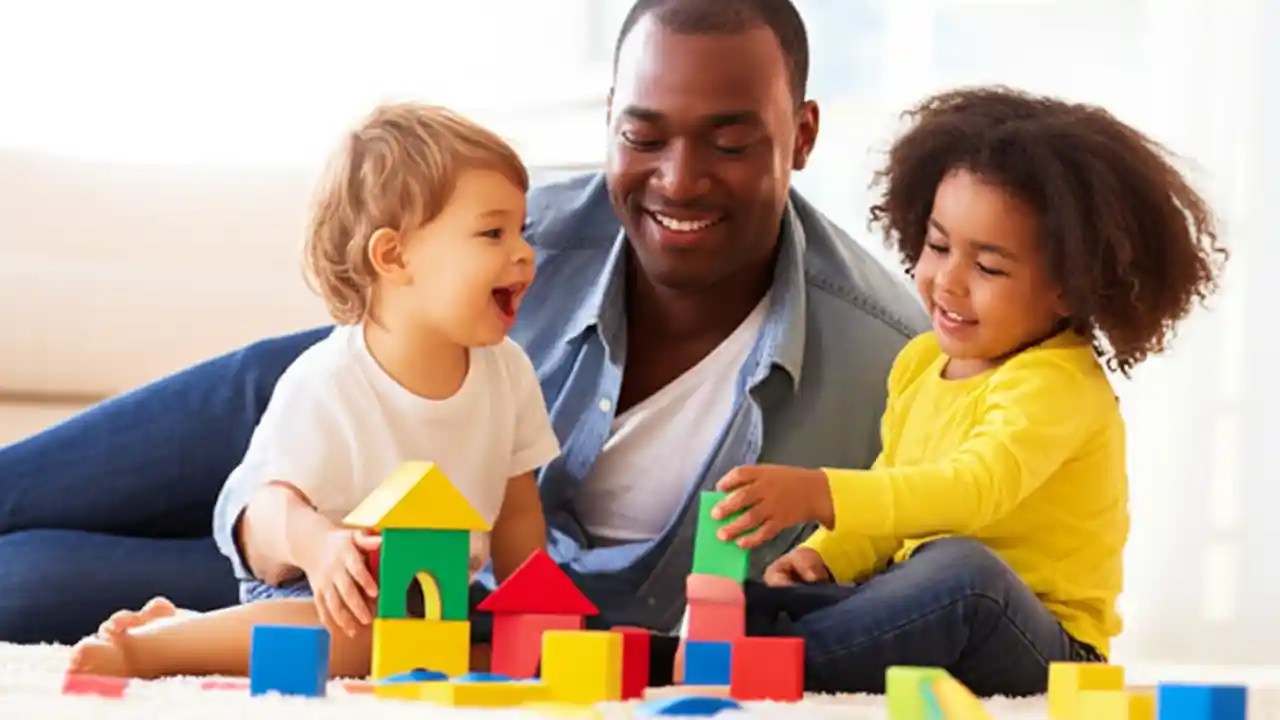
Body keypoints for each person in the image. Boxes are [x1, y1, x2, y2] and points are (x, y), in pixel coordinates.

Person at [0, 0, 926, 682]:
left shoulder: (886, 363)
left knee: (28, 591)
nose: (676, 181)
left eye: (729, 142)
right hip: (320, 421)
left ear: (800, 134)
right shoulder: (536, 231)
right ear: (611, 120)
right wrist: (312, 537)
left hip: (407, 574)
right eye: (643, 136)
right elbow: (280, 473)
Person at [698, 85, 1227, 696]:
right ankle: (746, 632)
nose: (947, 283)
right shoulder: (921, 363)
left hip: (1047, 647)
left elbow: (970, 490)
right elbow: (895, 497)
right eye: (938, 246)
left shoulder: (1057, 384)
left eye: (989, 267)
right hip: (935, 606)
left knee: (962, 570)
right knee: (850, 583)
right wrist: (824, 555)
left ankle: (775, 656)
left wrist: (821, 491)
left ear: (1070, 288)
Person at [65, 102, 562, 678]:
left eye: (521, 231)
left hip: (435, 594)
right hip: (317, 583)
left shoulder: (509, 371)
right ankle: (150, 649)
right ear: (394, 255)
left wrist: (532, 612)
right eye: (492, 233)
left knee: (479, 654)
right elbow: (271, 505)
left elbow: (519, 508)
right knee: (355, 642)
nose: (523, 253)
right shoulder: (330, 379)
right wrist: (323, 549)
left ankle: (189, 623)